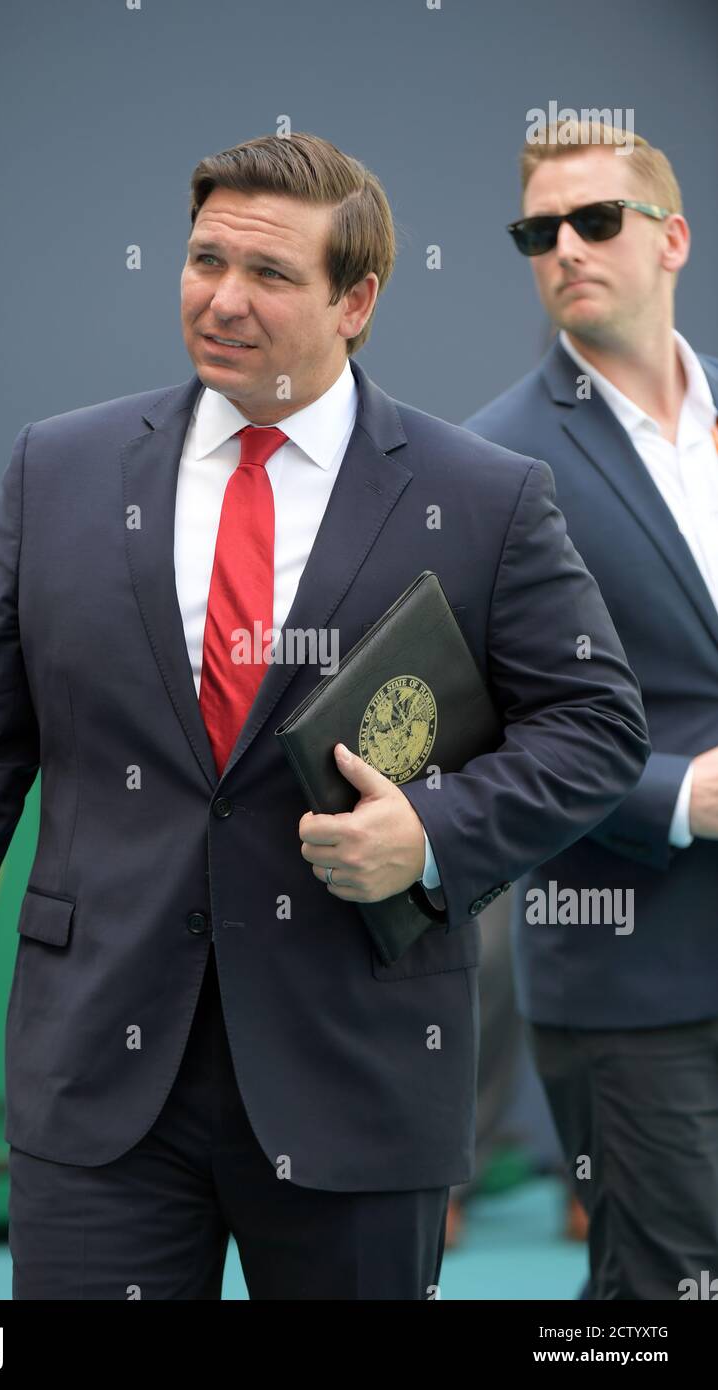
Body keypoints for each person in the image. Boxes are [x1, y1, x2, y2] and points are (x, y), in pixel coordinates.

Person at [0, 132, 648, 1301]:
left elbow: (594, 726)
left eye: (269, 274)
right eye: (203, 261)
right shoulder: (56, 470)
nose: (222, 298)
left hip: (358, 1079)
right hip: (98, 1082)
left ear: (355, 301)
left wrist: (429, 833)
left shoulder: (479, 497)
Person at [464, 120, 718, 1300]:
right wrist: (673, 794)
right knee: (660, 1288)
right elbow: (486, 742)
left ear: (670, 239)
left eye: (595, 220)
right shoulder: (489, 467)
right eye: (537, 230)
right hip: (626, 977)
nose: (563, 246)